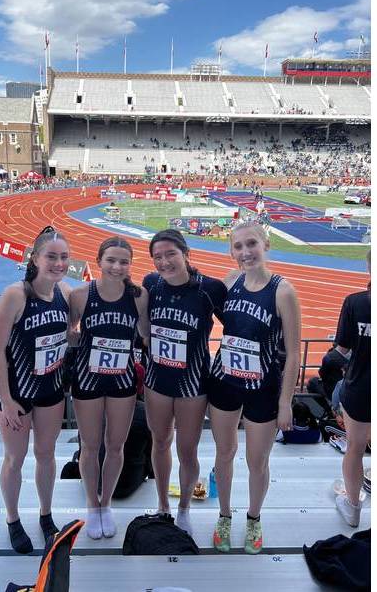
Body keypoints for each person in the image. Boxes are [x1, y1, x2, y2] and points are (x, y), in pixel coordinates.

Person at [206, 221, 301, 554]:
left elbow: (294, 354)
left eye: (251, 244)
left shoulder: (283, 291)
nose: (245, 252)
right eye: (238, 246)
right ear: (231, 251)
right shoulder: (230, 281)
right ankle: (224, 515)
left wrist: (285, 402)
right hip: (224, 382)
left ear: (265, 245)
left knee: (256, 461)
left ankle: (254, 518)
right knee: (224, 453)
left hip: (262, 387)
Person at [140, 229, 227, 536]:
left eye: (171, 254)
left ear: (186, 254)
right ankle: (163, 505)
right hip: (157, 380)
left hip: (193, 384)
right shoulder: (151, 284)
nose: (164, 262)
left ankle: (184, 509)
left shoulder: (210, 289)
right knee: (160, 442)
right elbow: (142, 324)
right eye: (157, 257)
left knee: (187, 451)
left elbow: (237, 326)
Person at [0, 227, 72, 554]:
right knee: (15, 458)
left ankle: (45, 514)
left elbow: (69, 335)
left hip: (51, 388)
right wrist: (6, 400)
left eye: (64, 257)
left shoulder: (64, 292)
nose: (58, 263)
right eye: (51, 256)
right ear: (35, 258)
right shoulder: (15, 295)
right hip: (17, 392)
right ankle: (12, 519)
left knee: (46, 454)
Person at [67, 237, 149, 540]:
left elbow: (146, 334)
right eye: (111, 260)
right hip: (87, 379)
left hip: (122, 381)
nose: (117, 267)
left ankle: (106, 505)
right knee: (89, 447)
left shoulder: (139, 297)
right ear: (99, 261)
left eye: (123, 262)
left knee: (116, 446)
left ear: (130, 264)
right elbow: (69, 333)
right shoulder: (80, 295)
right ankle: (92, 505)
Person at [334, 249, 371, 527]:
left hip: (361, 386)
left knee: (355, 448)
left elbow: (342, 349)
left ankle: (353, 508)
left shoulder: (355, 302)